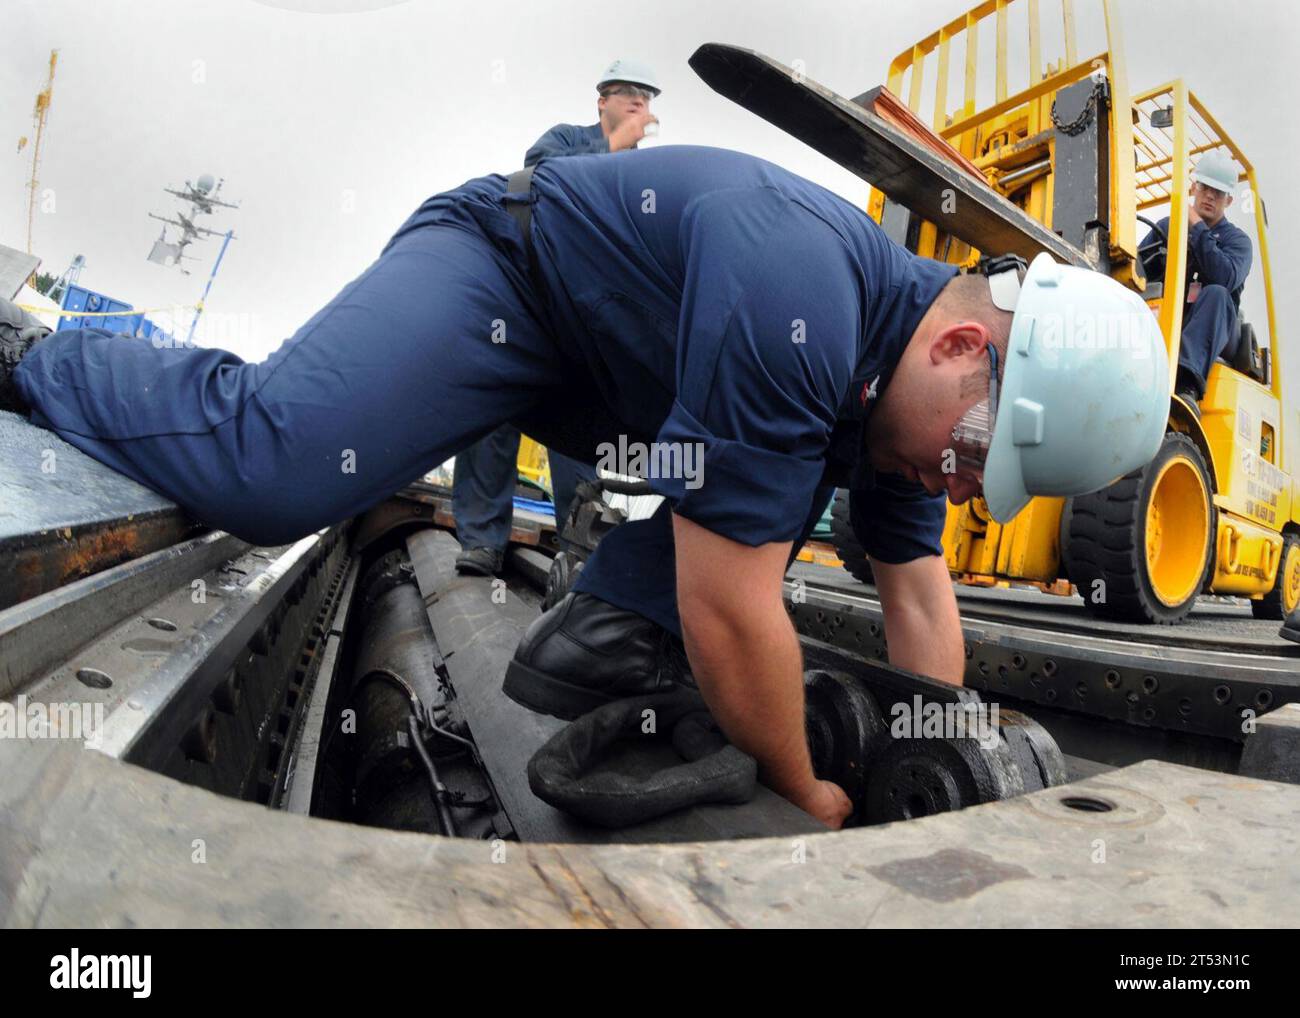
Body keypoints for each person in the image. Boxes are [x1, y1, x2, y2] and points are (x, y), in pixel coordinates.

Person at [0, 144, 1168, 829]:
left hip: (607, 388)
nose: (959, 486)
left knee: (799, 475)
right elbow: (731, 602)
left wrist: (934, 754)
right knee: (269, 470)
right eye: (972, 459)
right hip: (505, 279)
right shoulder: (799, 291)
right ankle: (40, 354)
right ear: (961, 350)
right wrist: (807, 787)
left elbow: (919, 600)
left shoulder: (904, 402)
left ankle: (597, 630)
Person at [453, 59, 661, 576]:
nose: (640, 102)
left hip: (591, 324)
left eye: (648, 96)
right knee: (495, 411)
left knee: (578, 436)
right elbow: (542, 180)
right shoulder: (568, 139)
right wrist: (613, 148)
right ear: (602, 100)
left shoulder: (650, 175)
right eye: (629, 92)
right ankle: (482, 543)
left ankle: (577, 551)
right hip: (535, 304)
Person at [1138, 149, 1252, 409]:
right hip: (1174, 318)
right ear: (1193, 187)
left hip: (1216, 327)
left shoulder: (1238, 242)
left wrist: (1197, 227)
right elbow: (1137, 267)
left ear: (1229, 201)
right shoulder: (1168, 227)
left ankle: (1185, 386)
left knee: (1216, 293)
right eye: (1205, 187)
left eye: (1218, 192)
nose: (1210, 195)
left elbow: (1224, 278)